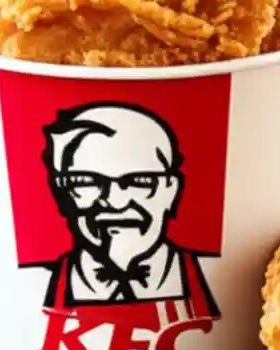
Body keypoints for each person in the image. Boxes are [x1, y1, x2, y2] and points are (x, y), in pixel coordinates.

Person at [39, 102, 218, 318]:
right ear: (62, 193)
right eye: (87, 181)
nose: (116, 202)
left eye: (141, 181)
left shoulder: (223, 274)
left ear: (171, 190)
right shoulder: (28, 284)